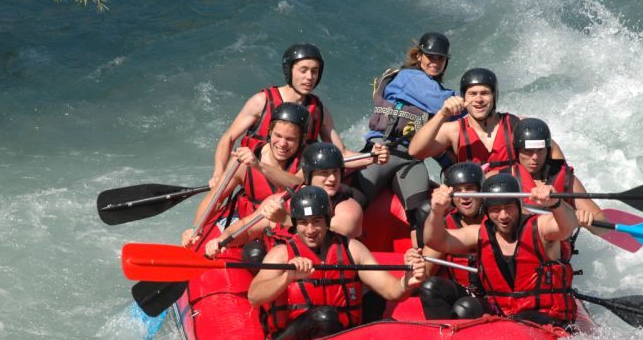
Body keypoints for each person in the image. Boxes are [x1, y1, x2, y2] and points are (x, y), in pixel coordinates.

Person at [248, 186, 427, 340]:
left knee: (387, 324)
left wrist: (406, 282)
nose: (310, 230)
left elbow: (392, 291)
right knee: (324, 317)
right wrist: (287, 277)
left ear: (327, 220)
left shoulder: (352, 249)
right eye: (303, 222)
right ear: (295, 224)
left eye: (316, 221)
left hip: (344, 338)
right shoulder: (282, 253)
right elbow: (254, 296)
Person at [209, 43, 388, 188]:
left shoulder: (319, 111)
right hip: (255, 179)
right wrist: (218, 174)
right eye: (303, 70)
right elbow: (228, 138)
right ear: (289, 71)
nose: (309, 77)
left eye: (314, 71)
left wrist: (371, 157)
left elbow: (340, 154)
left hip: (292, 183)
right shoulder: (262, 101)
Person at [424, 173, 581, 328]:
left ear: (519, 205)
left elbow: (568, 226)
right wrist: (436, 211)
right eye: (496, 209)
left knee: (519, 320)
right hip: (504, 314)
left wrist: (556, 203)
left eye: (509, 207)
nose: (503, 215)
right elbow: (435, 240)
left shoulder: (540, 228)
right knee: (457, 303)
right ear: (486, 210)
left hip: (546, 317)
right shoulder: (478, 233)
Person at [351, 32, 456, 243]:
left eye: (440, 58)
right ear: (419, 56)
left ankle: (419, 264)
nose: (435, 62)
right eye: (430, 56)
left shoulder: (443, 94)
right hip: (381, 151)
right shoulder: (407, 78)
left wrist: (450, 164)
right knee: (352, 201)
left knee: (421, 213)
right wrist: (460, 106)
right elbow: (434, 99)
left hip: (410, 160)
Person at [203, 142, 365, 258]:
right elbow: (247, 227)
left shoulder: (349, 209)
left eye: (336, 172)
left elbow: (327, 237)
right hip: (288, 278)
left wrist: (285, 220)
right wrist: (222, 241)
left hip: (324, 277)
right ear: (307, 175)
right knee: (255, 254)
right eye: (324, 173)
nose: (332, 179)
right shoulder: (282, 199)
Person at [182, 102, 309, 249]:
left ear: (303, 139)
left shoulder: (307, 160)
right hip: (244, 223)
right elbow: (216, 198)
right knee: (200, 244)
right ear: (269, 132)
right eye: (278, 136)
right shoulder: (244, 159)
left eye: (290, 139)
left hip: (281, 225)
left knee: (254, 254)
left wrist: (258, 165)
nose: (282, 144)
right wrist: (197, 228)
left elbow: (297, 183)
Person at [408, 68, 565, 174]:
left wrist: (553, 179)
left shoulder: (516, 125)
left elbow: (551, 147)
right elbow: (416, 151)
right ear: (464, 98)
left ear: (494, 96)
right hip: (475, 204)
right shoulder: (453, 130)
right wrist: (442, 115)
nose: (478, 99)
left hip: (512, 204)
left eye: (485, 93)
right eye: (472, 94)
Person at [510, 117, 607, 235]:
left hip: (553, 249)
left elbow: (603, 229)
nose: (535, 157)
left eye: (540, 150)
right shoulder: (504, 177)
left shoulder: (565, 179)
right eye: (528, 151)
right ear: (517, 151)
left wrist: (585, 218)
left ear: (547, 151)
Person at [419, 162, 484, 319]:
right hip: (464, 293)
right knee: (430, 288)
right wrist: (415, 264)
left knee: (464, 308)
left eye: (470, 188)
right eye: (457, 191)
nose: (465, 196)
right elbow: (424, 273)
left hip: (492, 296)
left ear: (481, 190)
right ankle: (441, 339)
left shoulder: (498, 219)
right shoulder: (445, 226)